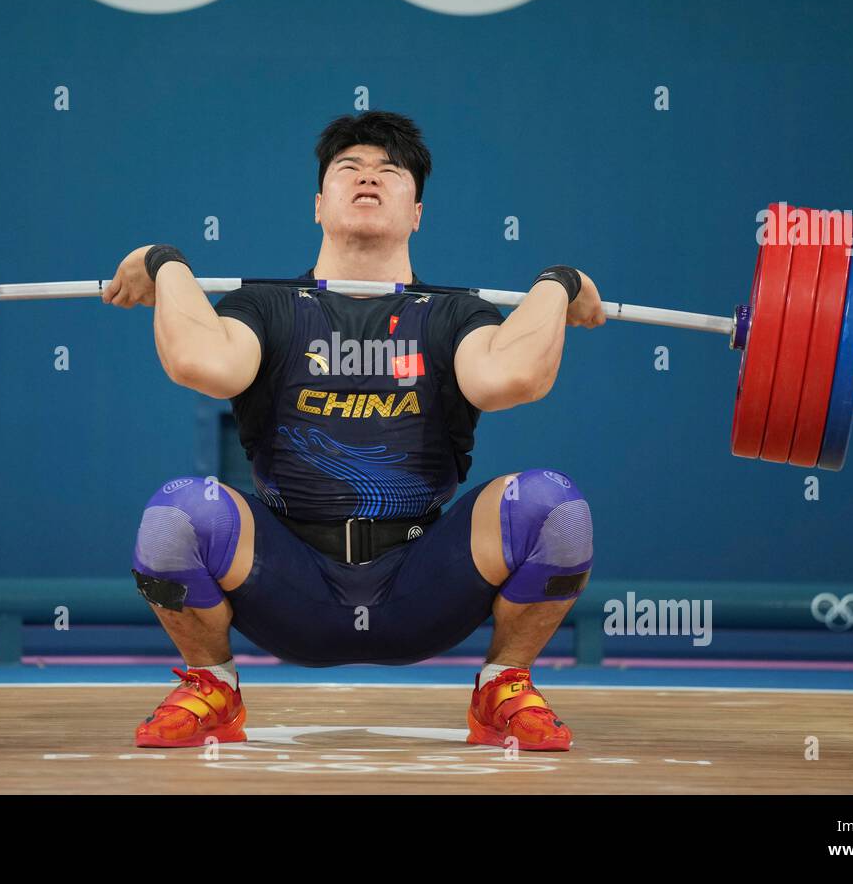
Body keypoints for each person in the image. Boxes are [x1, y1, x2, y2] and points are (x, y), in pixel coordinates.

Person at [102, 111, 606, 752]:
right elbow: (203, 363)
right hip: (289, 583)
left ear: (416, 211)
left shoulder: (454, 314)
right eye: (350, 168)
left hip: (424, 583)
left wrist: (557, 283)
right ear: (319, 204)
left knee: (553, 506)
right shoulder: (268, 306)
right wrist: (165, 262)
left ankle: (503, 686)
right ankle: (212, 686)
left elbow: (510, 378)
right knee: (176, 513)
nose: (368, 178)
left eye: (388, 172)